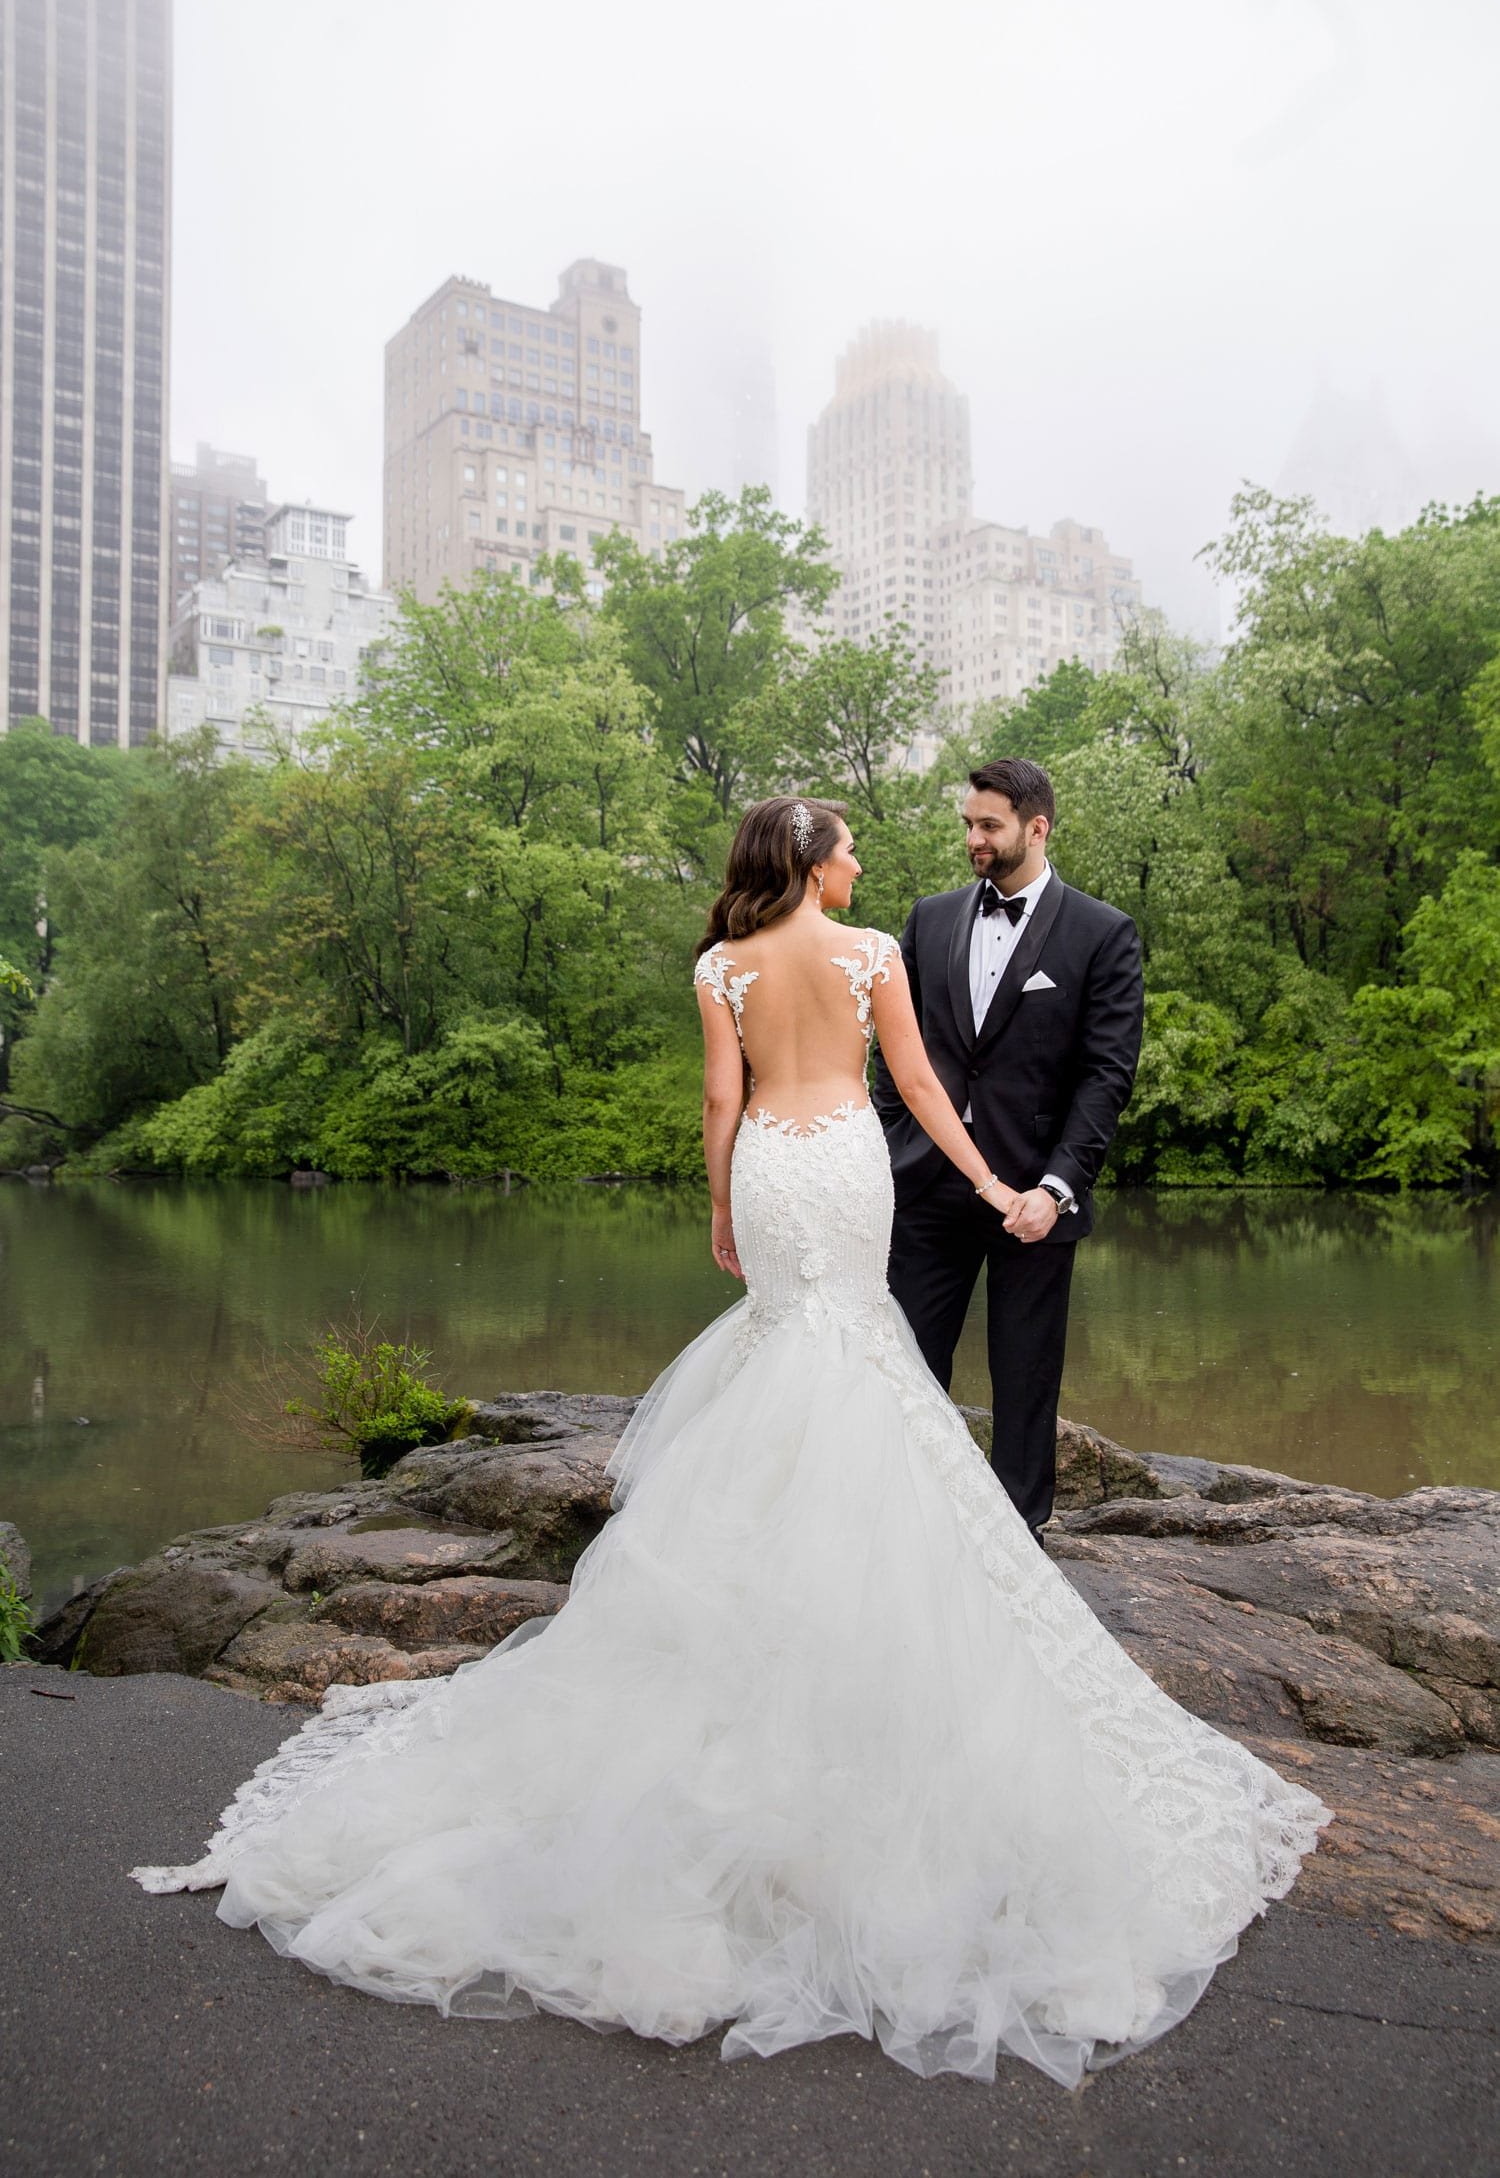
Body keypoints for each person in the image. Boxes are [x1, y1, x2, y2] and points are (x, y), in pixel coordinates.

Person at [135, 794, 1327, 2088]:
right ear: (814, 865)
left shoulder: (719, 965)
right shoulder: (873, 951)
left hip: (772, 1169)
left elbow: (721, 1097)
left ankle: (755, 1616)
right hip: (852, 1171)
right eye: (848, 846)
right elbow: (919, 1087)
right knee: (863, 1359)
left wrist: (719, 1208)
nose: (866, 860)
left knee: (786, 1358)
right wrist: (993, 1187)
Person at [873, 758, 1143, 1545]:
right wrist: (899, 1140)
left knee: (1025, 1376)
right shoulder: (929, 918)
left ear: (1037, 826)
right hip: (928, 1184)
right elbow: (899, 1053)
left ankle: (1019, 1535)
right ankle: (905, 1519)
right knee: (908, 1361)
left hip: (1033, 1195)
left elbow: (1106, 1074)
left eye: (988, 825)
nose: (973, 839)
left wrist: (1056, 1187)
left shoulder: (1103, 932)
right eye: (967, 824)